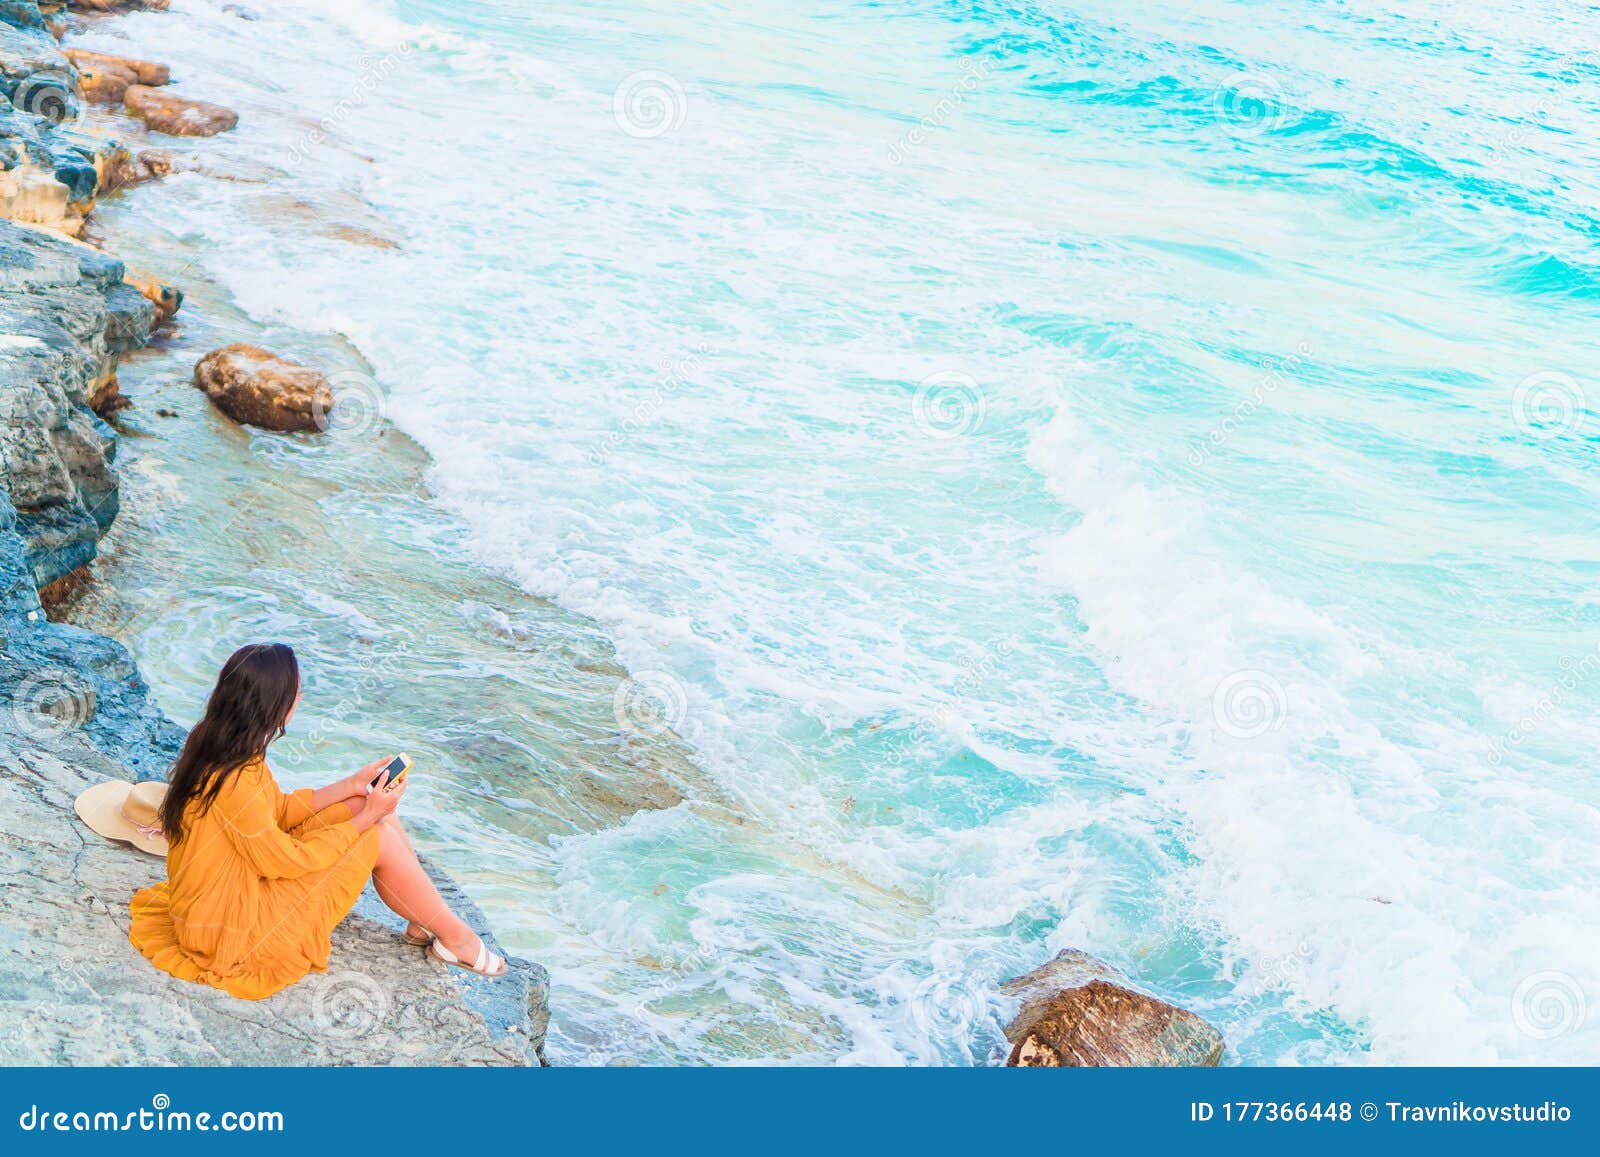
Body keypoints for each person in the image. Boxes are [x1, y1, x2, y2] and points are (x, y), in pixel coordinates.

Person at [129, 642, 506, 1000]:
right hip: (234, 932)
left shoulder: (223, 747)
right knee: (376, 829)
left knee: (363, 802)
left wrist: (352, 786)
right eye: (296, 693)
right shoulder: (236, 776)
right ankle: (457, 939)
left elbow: (277, 812)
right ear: (272, 704)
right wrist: (366, 819)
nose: (301, 699)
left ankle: (426, 920)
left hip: (229, 897)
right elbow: (282, 861)